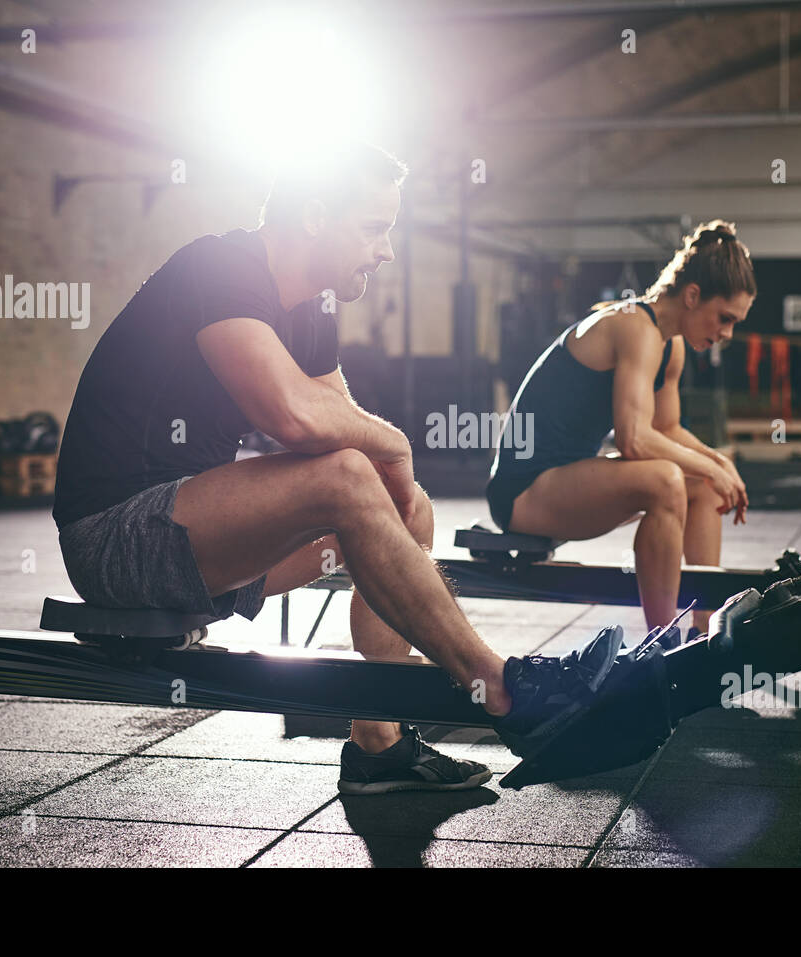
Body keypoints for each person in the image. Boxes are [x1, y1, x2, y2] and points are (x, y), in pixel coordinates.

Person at [52, 143, 622, 795]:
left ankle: (377, 741)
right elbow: (294, 417)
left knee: (406, 504)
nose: (385, 251)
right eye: (375, 227)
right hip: (115, 540)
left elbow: (335, 418)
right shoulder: (222, 267)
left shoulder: (309, 308)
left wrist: (388, 464)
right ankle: (505, 691)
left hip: (196, 544)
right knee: (352, 475)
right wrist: (395, 445)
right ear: (316, 216)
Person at [487, 221, 756, 634]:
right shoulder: (635, 326)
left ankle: (706, 635)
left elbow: (665, 429)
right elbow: (633, 440)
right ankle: (661, 646)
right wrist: (711, 466)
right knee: (667, 479)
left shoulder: (672, 344)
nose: (726, 333)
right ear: (692, 295)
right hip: (524, 493)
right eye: (724, 318)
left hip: (570, 480)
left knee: (702, 486)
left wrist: (717, 463)